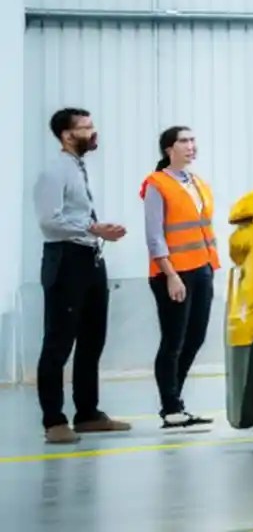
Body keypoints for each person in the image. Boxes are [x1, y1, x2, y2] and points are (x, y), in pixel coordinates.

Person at [32, 108, 132, 443]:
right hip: (66, 260)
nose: (93, 131)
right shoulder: (54, 171)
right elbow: (49, 220)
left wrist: (98, 232)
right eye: (85, 127)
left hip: (89, 257)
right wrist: (93, 227)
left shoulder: (78, 167)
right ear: (67, 134)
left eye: (92, 125)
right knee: (59, 342)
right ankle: (54, 421)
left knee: (93, 339)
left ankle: (87, 413)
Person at [139, 126, 218, 428]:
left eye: (193, 140)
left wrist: (208, 268)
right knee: (173, 341)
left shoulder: (197, 183)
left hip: (202, 269)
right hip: (172, 274)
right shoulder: (157, 184)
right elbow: (154, 235)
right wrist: (171, 274)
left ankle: (176, 403)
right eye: (184, 141)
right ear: (168, 149)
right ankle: (170, 407)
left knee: (194, 338)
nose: (191, 146)